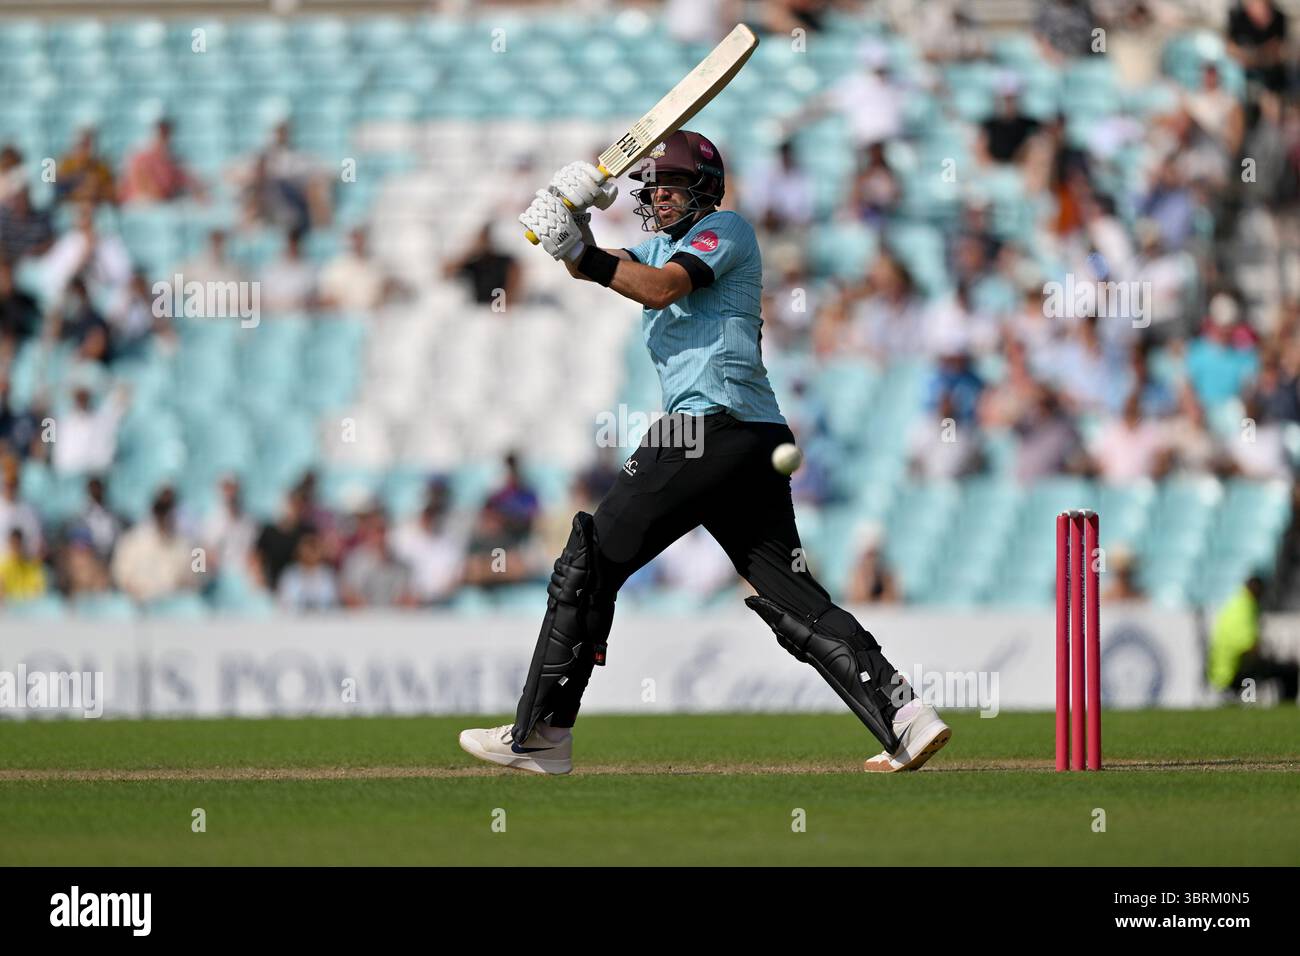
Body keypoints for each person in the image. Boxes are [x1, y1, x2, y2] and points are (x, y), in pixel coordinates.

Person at [460, 131, 950, 775]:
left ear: (704, 190)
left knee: (590, 560)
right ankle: (906, 719)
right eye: (651, 187)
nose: (657, 196)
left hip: (706, 429)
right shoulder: (656, 246)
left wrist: (579, 245)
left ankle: (542, 735)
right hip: (751, 440)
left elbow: (661, 289)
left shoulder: (728, 229)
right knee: (792, 595)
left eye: (670, 186)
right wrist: (566, 211)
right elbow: (602, 267)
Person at [1208, 575, 1299, 702]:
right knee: (1289, 671)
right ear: (1256, 589)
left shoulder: (1236, 603)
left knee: (1278, 667)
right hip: (1231, 671)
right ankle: (1287, 708)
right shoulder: (1244, 608)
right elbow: (1250, 648)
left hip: (1222, 668)